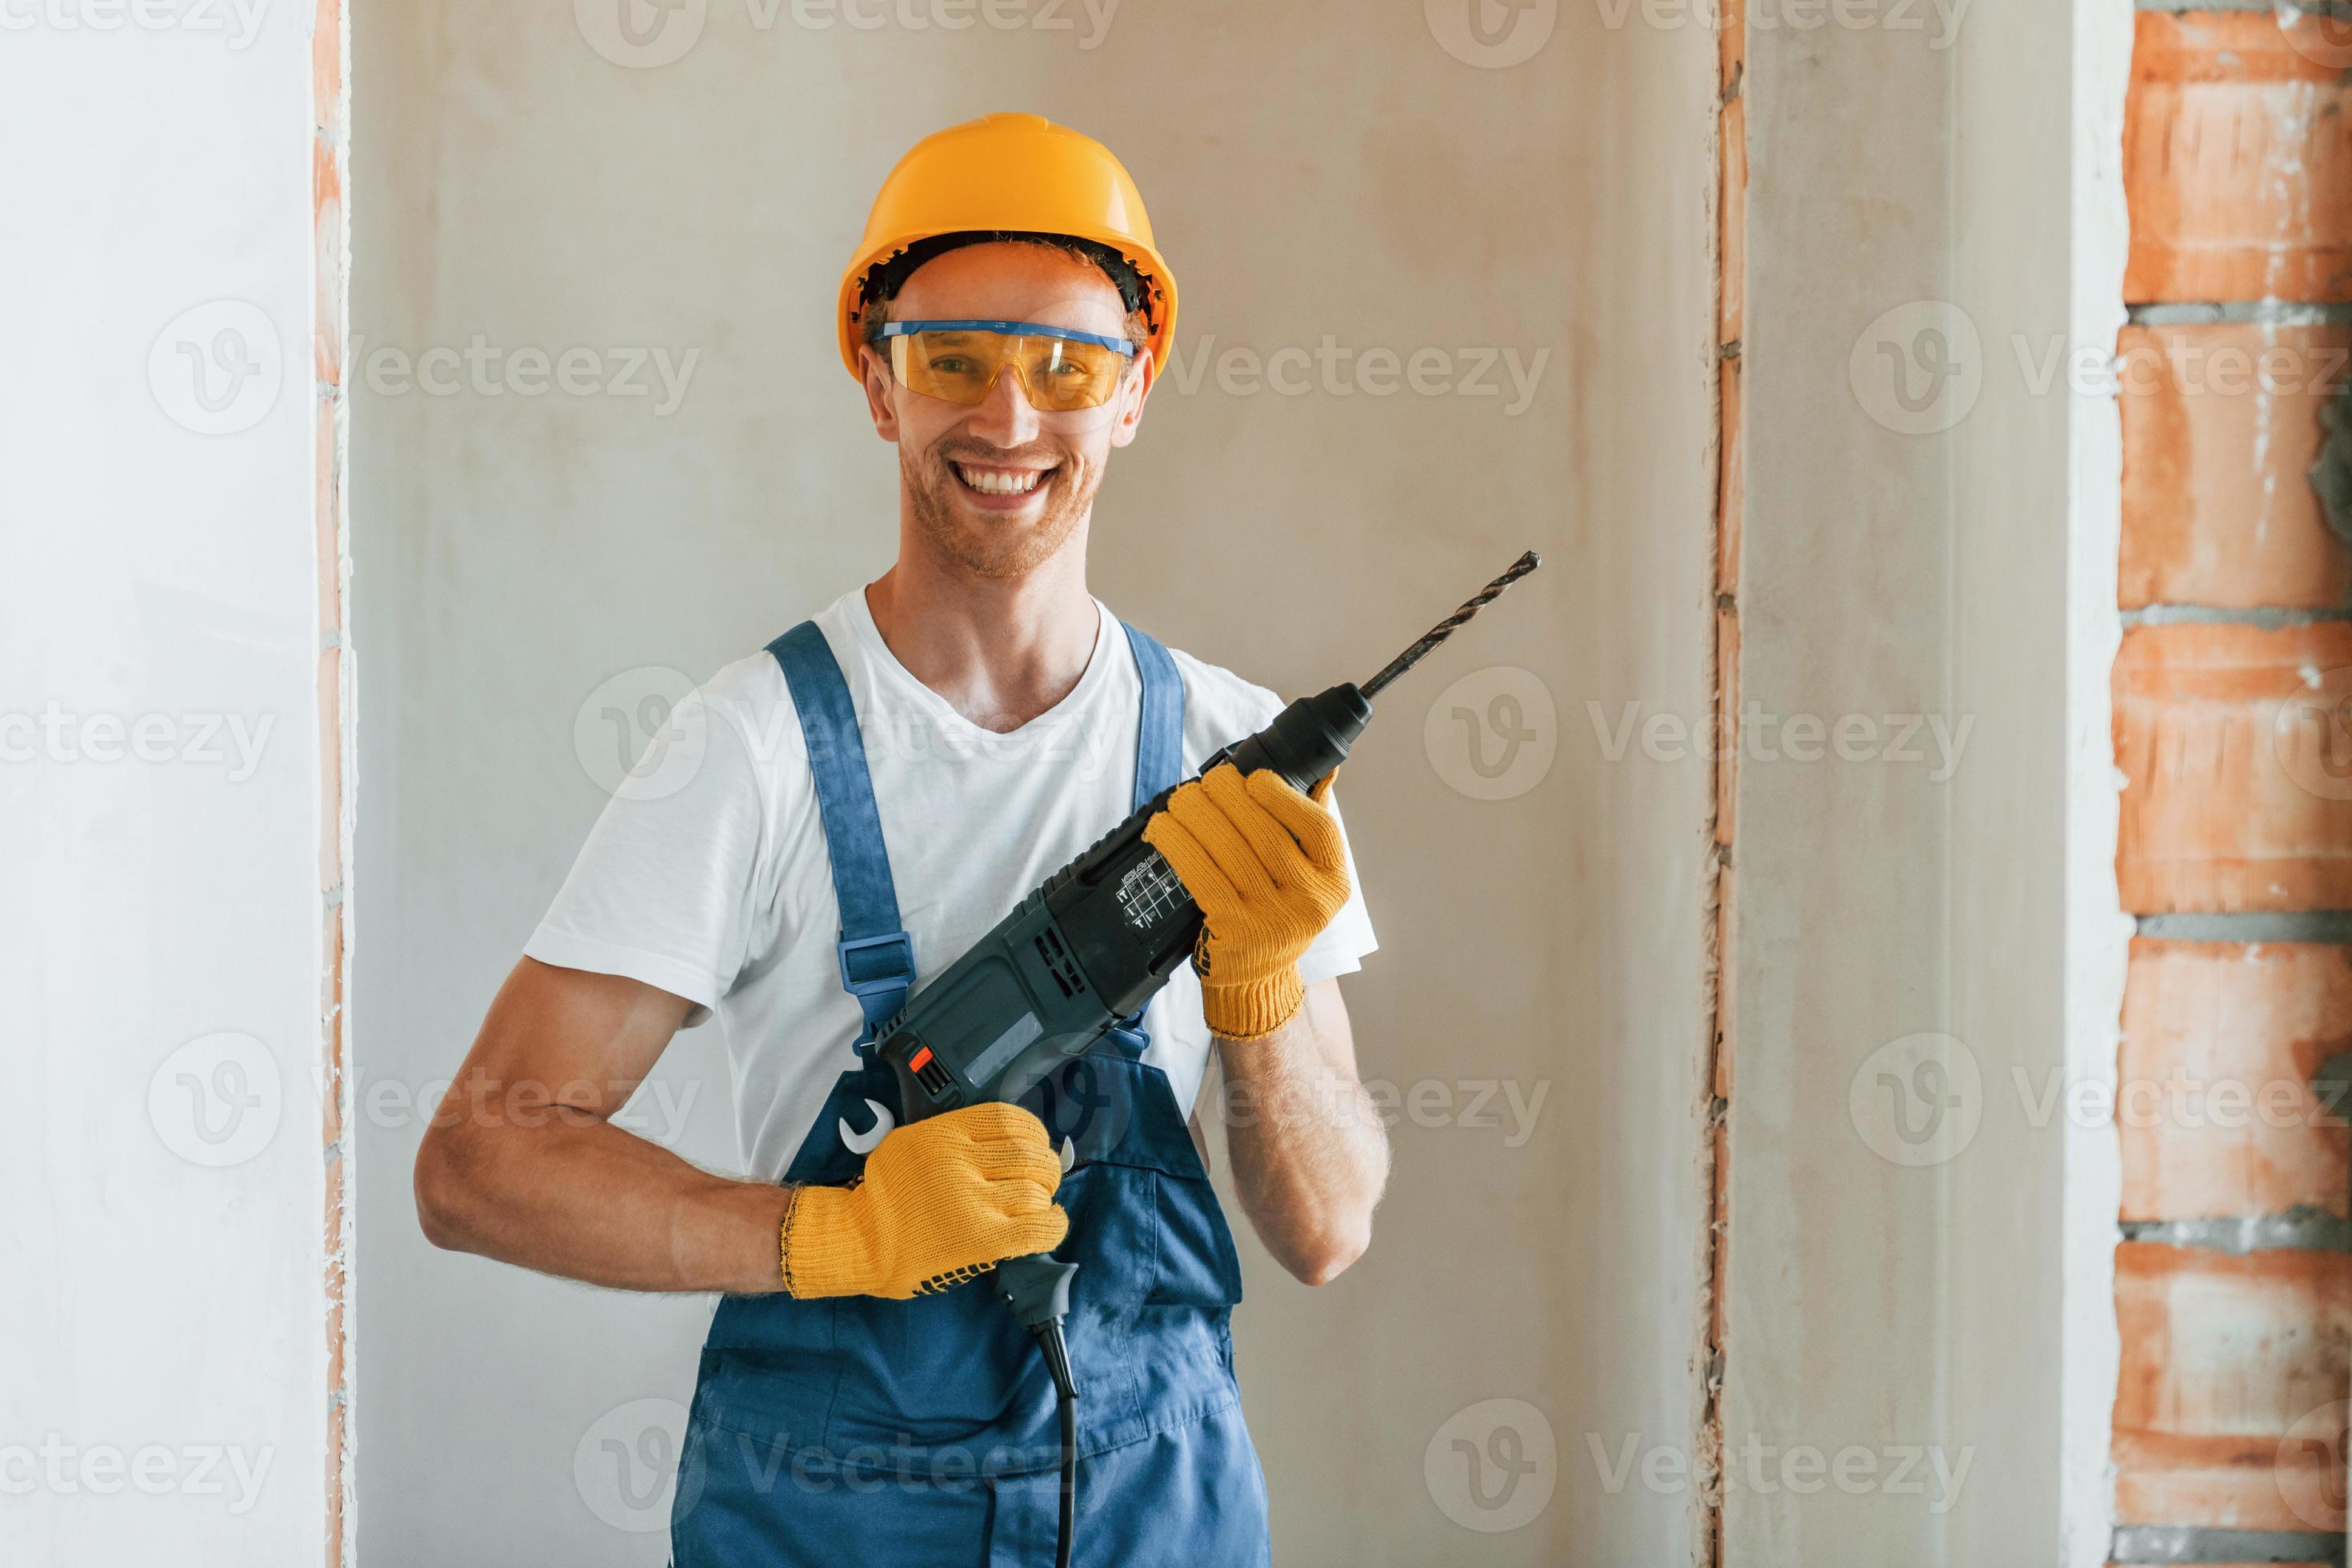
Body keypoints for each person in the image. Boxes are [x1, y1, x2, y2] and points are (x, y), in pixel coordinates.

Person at [414, 111, 1389, 1566]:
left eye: (1067, 365)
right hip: (828, 1520)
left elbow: (1326, 1230)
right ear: (879, 382)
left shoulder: (1238, 767)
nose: (1008, 418)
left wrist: (1262, 997)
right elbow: (479, 1164)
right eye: (953, 358)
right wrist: (829, 1237)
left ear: (1132, 393)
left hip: (1156, 1509)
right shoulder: (750, 748)